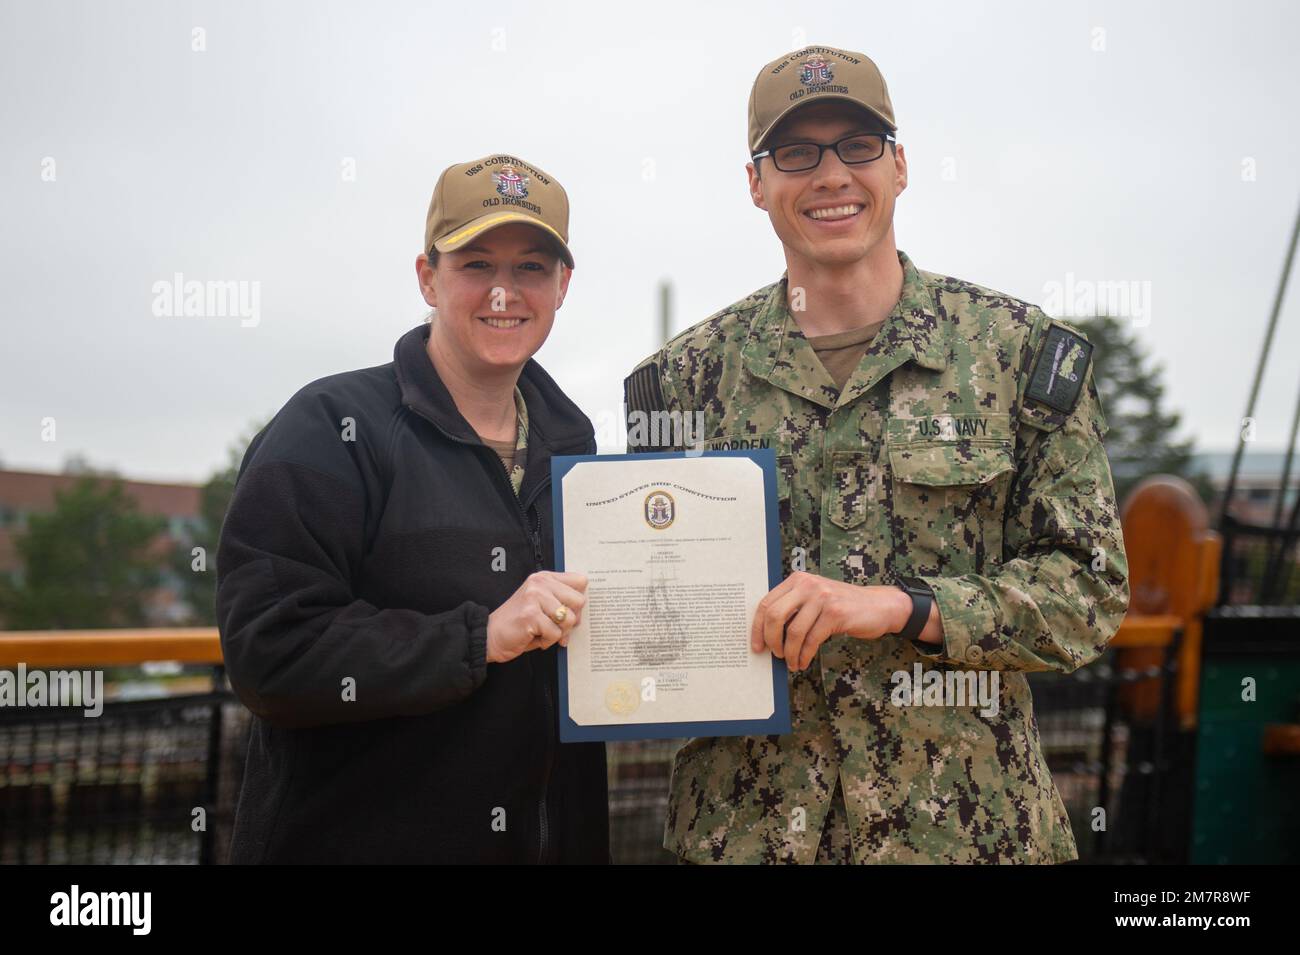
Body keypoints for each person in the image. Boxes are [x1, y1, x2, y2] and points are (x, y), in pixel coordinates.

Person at [624, 46, 1130, 864]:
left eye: (858, 146)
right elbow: (652, 590)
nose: (831, 175)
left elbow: (1089, 590)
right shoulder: (685, 381)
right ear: (756, 183)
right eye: (796, 153)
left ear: (899, 166)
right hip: (748, 836)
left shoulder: (1014, 355)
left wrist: (907, 607)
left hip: (968, 835)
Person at [216, 153, 608, 863]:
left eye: (530, 267)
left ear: (563, 286)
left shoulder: (576, 452)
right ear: (427, 276)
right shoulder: (330, 427)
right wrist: (479, 637)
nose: (504, 291)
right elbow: (269, 653)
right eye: (476, 264)